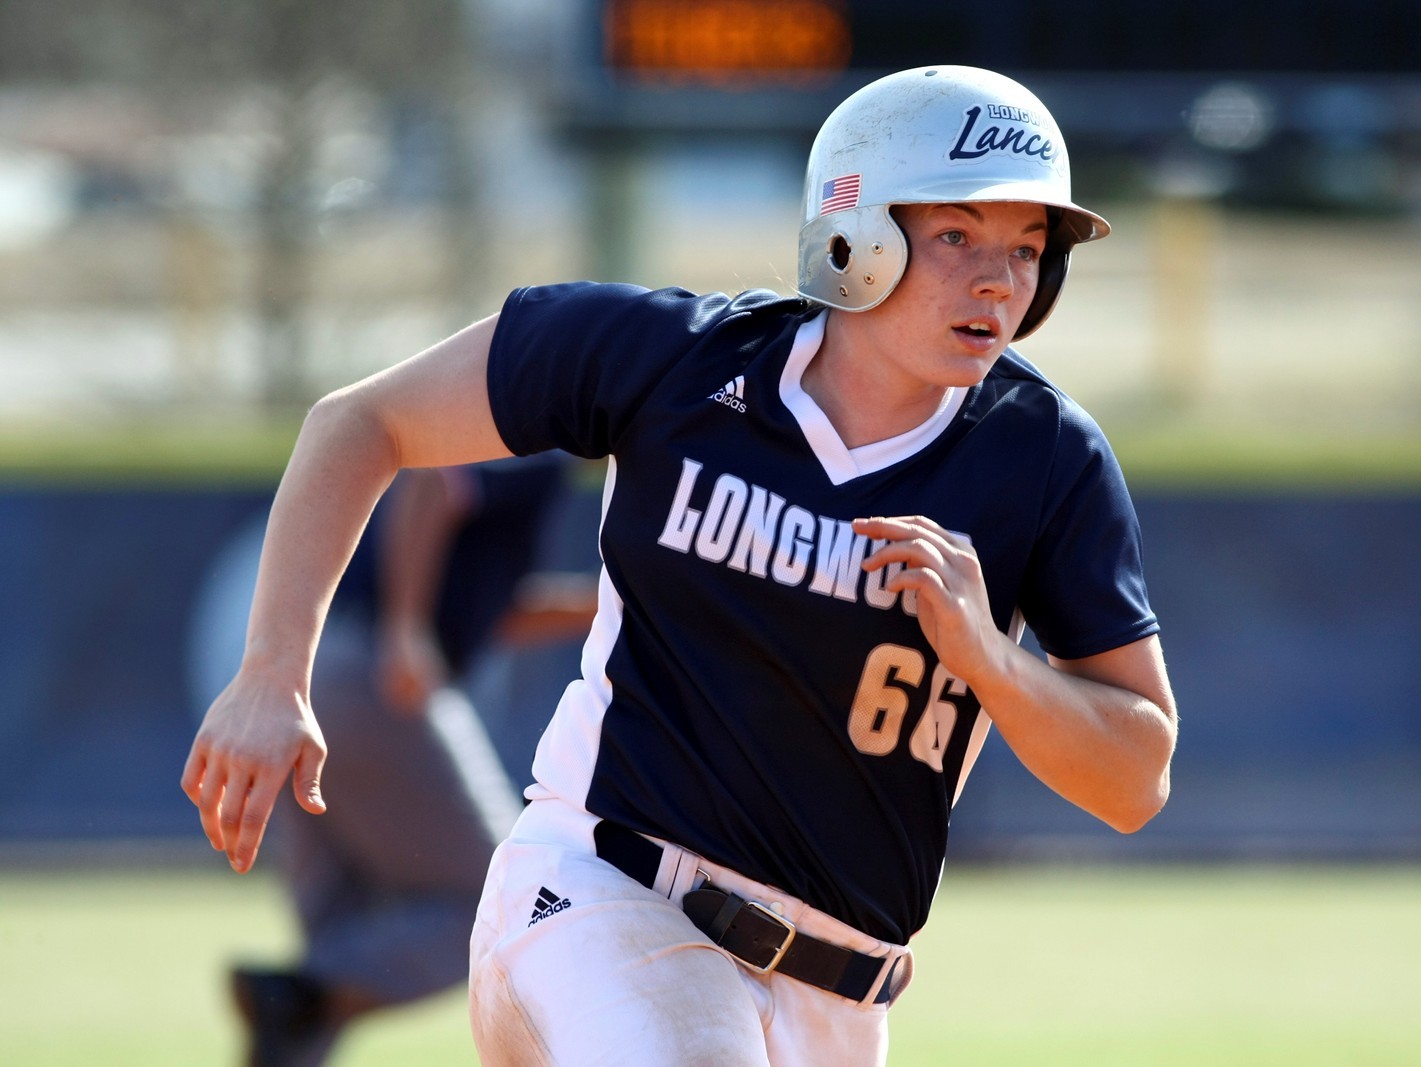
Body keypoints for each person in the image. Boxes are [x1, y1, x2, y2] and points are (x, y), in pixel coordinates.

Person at [183, 65, 1178, 1066]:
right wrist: (271, 672)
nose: (998, 279)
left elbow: (1135, 776)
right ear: (855, 228)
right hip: (605, 896)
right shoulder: (678, 361)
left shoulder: (1046, 458)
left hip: (841, 992)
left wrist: (994, 662)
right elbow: (362, 420)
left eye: (1025, 247)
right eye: (957, 235)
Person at [224, 456, 597, 1066]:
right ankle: (298, 995)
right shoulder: (542, 429)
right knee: (501, 895)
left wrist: (603, 603)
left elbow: (486, 612)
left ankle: (293, 1005)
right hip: (371, 677)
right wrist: (405, 628)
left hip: (329, 675)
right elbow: (432, 482)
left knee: (341, 929)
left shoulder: (542, 444)